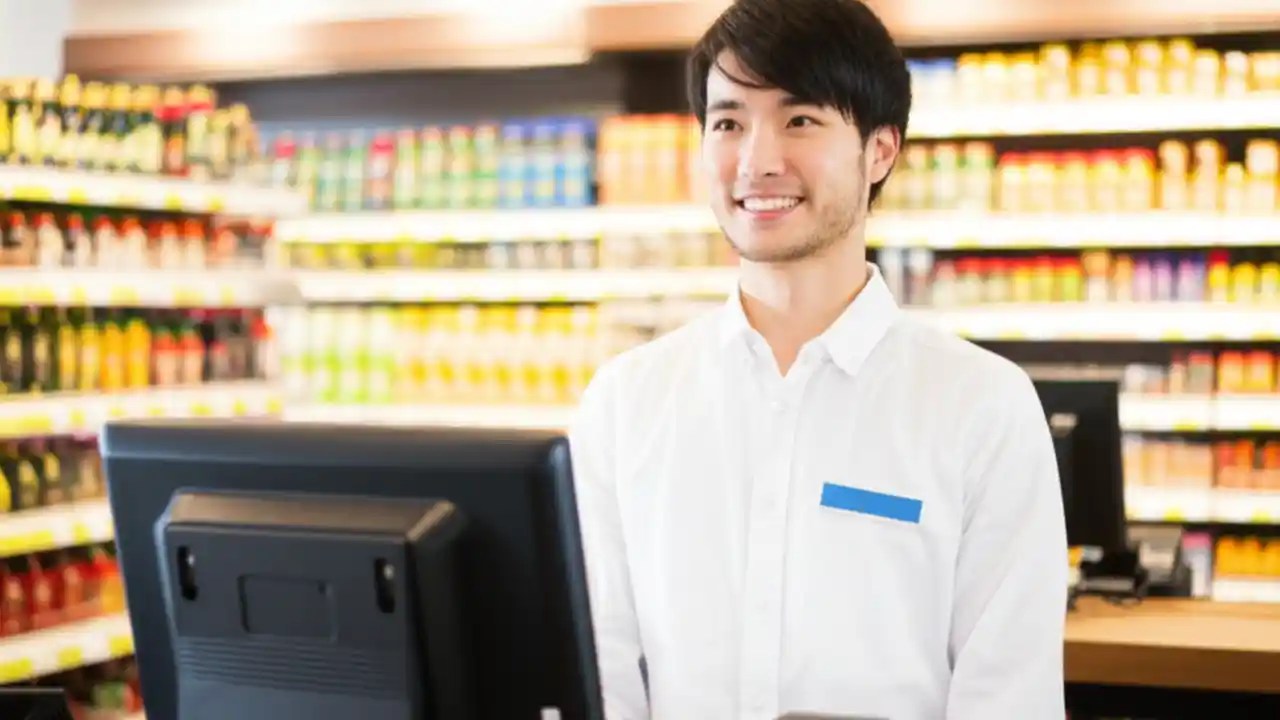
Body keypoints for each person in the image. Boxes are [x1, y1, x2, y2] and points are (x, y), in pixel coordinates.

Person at [569, 1, 1068, 718]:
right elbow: (600, 676)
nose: (756, 161)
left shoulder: (984, 408)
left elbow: (1008, 698)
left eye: (800, 119)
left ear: (880, 151)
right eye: (729, 122)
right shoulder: (624, 403)